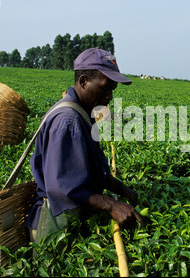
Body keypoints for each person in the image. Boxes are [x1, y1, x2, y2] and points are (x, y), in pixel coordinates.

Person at [26, 48, 143, 245]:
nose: (109, 97)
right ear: (83, 81)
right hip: (53, 224)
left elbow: (91, 171)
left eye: (112, 90)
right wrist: (111, 205)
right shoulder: (68, 121)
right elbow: (64, 188)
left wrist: (123, 190)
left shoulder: (83, 114)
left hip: (68, 217)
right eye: (105, 88)